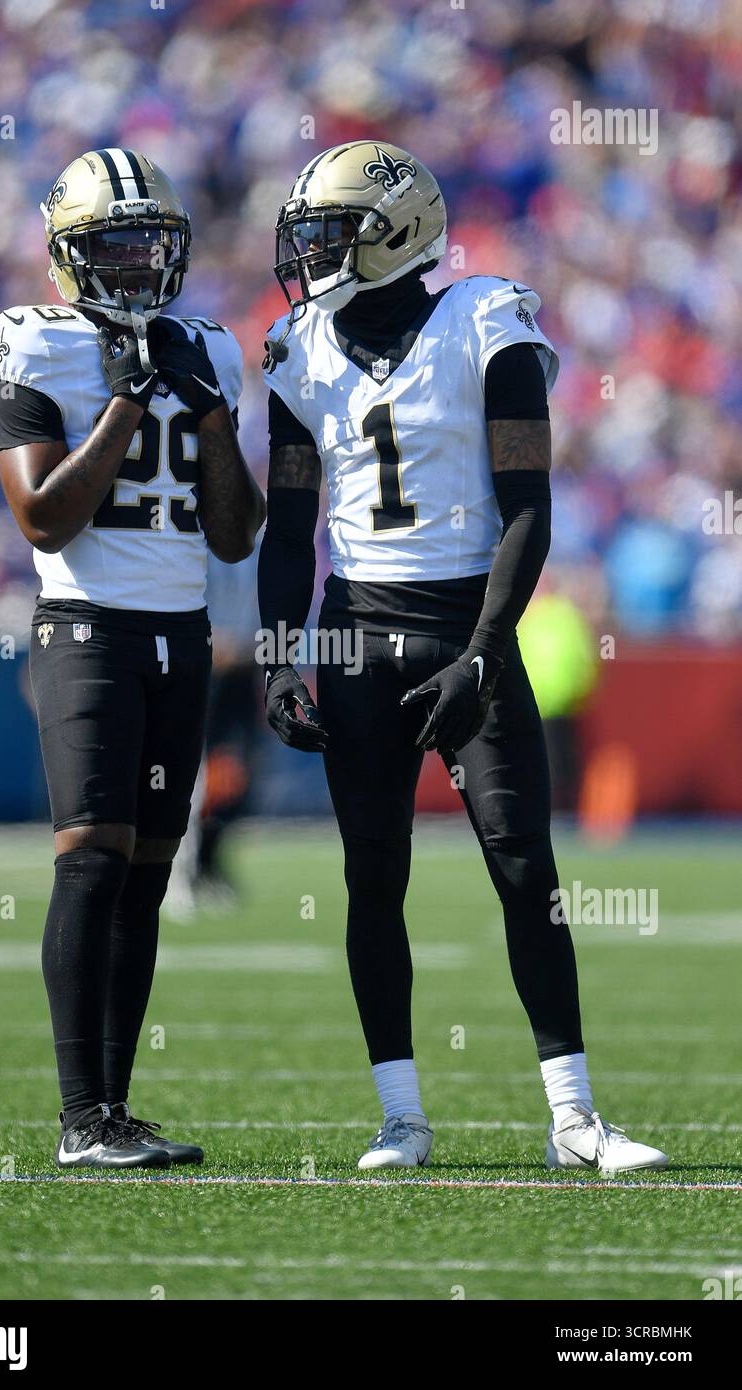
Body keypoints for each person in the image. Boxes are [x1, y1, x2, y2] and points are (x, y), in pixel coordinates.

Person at [258, 140, 667, 1175]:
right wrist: (276, 656)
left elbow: (528, 511)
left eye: (328, 233)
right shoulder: (296, 349)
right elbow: (287, 525)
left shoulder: (485, 322)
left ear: (393, 234)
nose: (306, 254)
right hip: (353, 631)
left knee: (524, 865)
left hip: (463, 623)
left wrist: (484, 655)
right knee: (370, 877)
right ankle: (399, 1116)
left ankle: (572, 1118)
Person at [0, 148, 264, 1169]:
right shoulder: (29, 339)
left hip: (180, 635)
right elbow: (43, 515)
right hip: (87, 629)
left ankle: (113, 1110)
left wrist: (214, 412)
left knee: (145, 877)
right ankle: (77, 1116)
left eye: (152, 243)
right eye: (117, 244)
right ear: (68, 256)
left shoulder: (211, 349)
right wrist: (133, 402)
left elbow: (235, 533)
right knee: (91, 862)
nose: (140, 263)